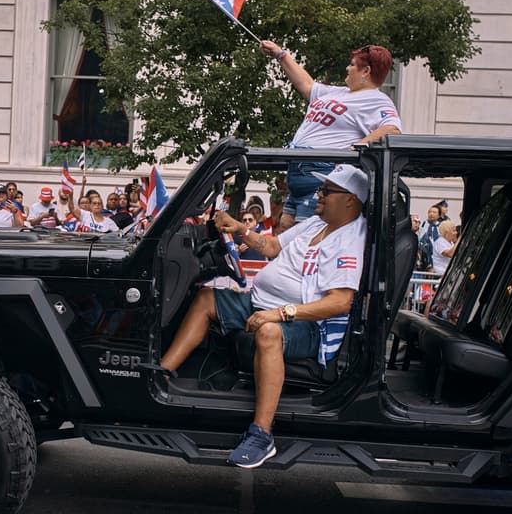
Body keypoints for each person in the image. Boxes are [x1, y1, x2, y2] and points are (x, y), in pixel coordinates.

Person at [143, 164, 368, 468]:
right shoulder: (317, 223)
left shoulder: (350, 239)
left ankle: (262, 435)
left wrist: (280, 313)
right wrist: (240, 229)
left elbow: (340, 302)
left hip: (309, 325)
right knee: (207, 298)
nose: (319, 194)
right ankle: (161, 376)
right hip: (261, 303)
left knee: (268, 333)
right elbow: (272, 246)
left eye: (327, 191)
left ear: (350, 199)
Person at [259, 40, 401, 231]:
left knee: (304, 235)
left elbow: (392, 129)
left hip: (322, 171)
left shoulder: (378, 100)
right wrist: (280, 54)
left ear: (365, 71)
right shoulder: (337, 92)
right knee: (285, 229)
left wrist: (354, 149)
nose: (347, 68)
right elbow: (307, 85)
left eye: (352, 64)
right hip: (298, 168)